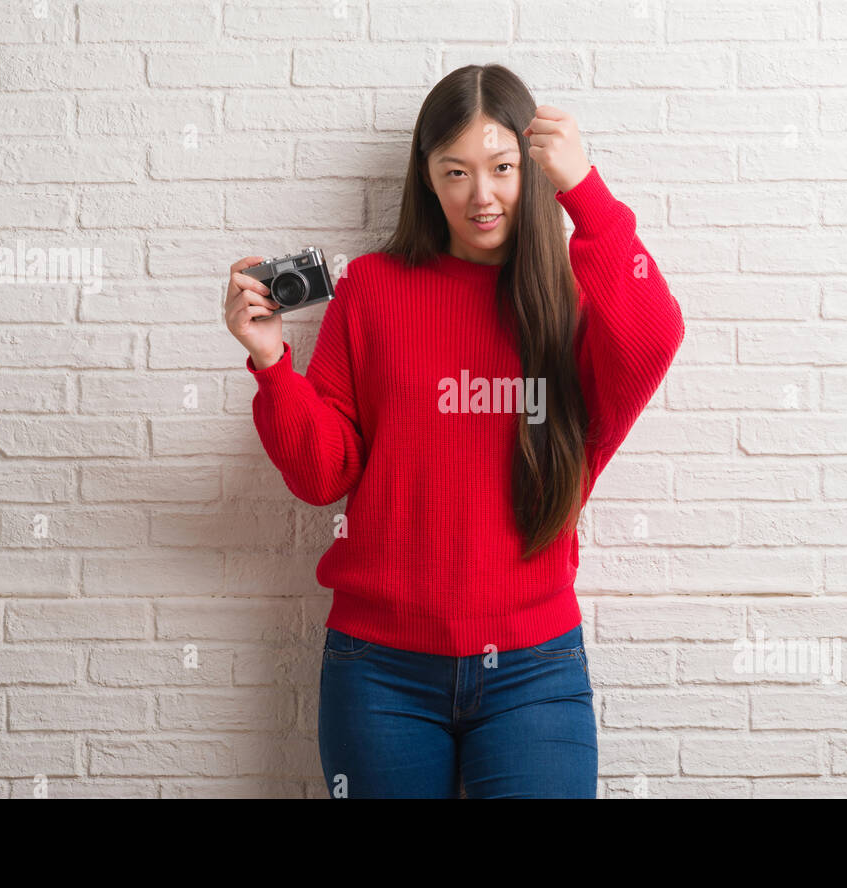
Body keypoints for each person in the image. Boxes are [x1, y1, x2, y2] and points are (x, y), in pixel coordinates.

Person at [222, 64, 685, 798]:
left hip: (535, 668)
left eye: (502, 168)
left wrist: (586, 193)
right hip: (379, 670)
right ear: (427, 178)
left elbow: (654, 336)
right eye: (456, 171)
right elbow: (323, 474)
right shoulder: (372, 288)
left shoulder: (569, 300)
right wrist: (274, 364)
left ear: (531, 170)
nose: (482, 196)